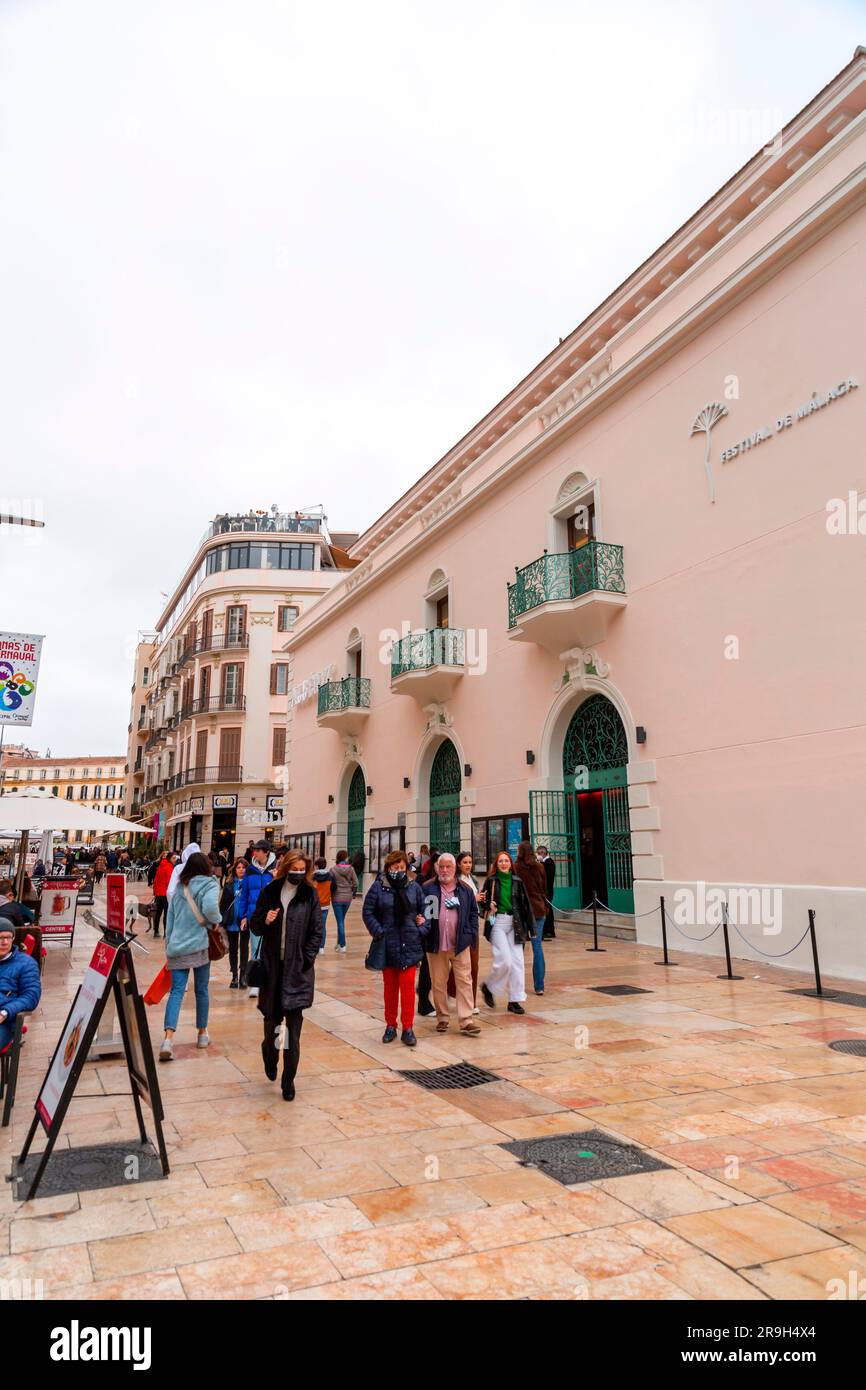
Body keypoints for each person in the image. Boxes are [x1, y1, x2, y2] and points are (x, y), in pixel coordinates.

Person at [249, 849, 322, 1100]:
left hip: (297, 970)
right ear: (285, 868)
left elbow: (316, 932)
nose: (298, 874)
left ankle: (288, 1079)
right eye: (295, 869)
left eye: (303, 870)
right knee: (272, 1025)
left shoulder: (309, 894)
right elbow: (255, 924)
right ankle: (270, 1054)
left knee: (292, 1029)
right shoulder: (270, 892)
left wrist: (307, 958)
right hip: (272, 969)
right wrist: (266, 920)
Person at [362, 850, 427, 1047]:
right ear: (388, 868)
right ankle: (391, 1025)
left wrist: (421, 925)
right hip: (388, 944)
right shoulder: (378, 887)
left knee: (407, 988)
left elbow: (425, 912)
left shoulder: (414, 887)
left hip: (410, 943)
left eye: (401, 867)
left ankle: (408, 1027)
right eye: (394, 867)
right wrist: (378, 932)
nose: (398, 871)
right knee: (390, 989)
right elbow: (368, 912)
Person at [160, 851, 220, 1061]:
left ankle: (168, 1039)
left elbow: (170, 918)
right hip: (199, 945)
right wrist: (216, 920)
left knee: (176, 992)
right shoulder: (210, 884)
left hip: (177, 945)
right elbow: (212, 909)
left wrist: (169, 944)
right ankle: (202, 1033)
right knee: (201, 990)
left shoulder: (180, 887)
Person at [423, 852, 481, 1036]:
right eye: (442, 867)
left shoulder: (465, 889)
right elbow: (419, 911)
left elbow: (473, 913)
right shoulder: (427, 888)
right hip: (436, 944)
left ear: (455, 868)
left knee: (464, 980)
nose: (445, 870)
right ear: (436, 868)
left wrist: (470, 934)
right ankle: (443, 1018)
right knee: (438, 983)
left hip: (459, 944)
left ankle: (466, 1020)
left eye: (448, 866)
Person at [479, 850, 535, 1015]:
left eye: (506, 861)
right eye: (500, 861)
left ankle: (514, 1000)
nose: (504, 863)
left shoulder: (517, 881)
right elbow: (482, 902)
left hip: (515, 923)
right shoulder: (491, 881)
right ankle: (489, 987)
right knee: (505, 960)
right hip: (497, 923)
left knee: (517, 963)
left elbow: (526, 905)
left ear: (511, 864)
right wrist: (488, 906)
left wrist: (532, 928)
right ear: (496, 865)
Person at [236, 840, 275, 999]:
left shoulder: (275, 870)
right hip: (255, 916)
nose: (255, 853)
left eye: (258, 851)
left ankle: (270, 982)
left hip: (273, 916)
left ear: (266, 852)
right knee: (256, 949)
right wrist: (244, 916)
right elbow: (244, 895)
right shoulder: (250, 871)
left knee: (271, 950)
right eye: (255, 850)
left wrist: (277, 878)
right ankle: (255, 984)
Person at [0, 923, 41, 1051]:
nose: (5, 942)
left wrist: (5, 1012)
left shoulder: (26, 963)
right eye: (0, 938)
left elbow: (31, 996)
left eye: (8, 937)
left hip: (5, 1023)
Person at [514, 841, 548, 996]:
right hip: (538, 910)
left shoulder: (516, 868)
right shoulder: (539, 867)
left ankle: (518, 985)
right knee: (537, 947)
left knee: (519, 948)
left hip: (522, 911)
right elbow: (545, 888)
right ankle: (539, 986)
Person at [453, 850, 481, 1011]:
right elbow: (453, 903)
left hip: (473, 924)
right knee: (460, 964)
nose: (468, 865)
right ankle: (451, 990)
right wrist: (473, 899)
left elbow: (477, 903)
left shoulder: (474, 880)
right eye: (465, 862)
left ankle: (472, 1002)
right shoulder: (456, 882)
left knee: (474, 965)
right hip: (459, 926)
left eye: (470, 862)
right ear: (459, 864)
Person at [415, 848, 441, 1017]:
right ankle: (423, 1001)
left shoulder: (448, 882)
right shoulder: (424, 881)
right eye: (440, 865)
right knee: (427, 967)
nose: (443, 868)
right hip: (427, 931)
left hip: (443, 930)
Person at [220, 857, 248, 988]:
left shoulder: (249, 883)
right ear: (235, 869)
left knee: (244, 948)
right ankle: (234, 976)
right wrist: (220, 920)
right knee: (233, 949)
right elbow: (224, 903)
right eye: (239, 867)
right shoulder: (229, 883)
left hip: (245, 920)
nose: (241, 870)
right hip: (231, 921)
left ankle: (243, 975)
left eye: (243, 867)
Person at [331, 850, 357, 952]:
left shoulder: (333, 869)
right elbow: (356, 882)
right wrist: (352, 890)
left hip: (337, 897)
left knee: (340, 921)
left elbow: (330, 882)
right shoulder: (351, 869)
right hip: (347, 897)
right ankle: (338, 943)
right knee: (341, 920)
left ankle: (342, 945)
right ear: (345, 857)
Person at [312, 858, 338, 954]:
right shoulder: (330, 876)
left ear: (317, 865)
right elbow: (334, 888)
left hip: (315, 905)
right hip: (325, 904)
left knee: (313, 926)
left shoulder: (313, 876)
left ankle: (314, 945)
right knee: (322, 926)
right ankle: (321, 947)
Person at [151, 851, 174, 938]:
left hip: (158, 894)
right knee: (166, 914)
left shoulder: (160, 866)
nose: (174, 860)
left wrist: (155, 892)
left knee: (158, 913)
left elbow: (155, 880)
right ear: (169, 858)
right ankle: (166, 933)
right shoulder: (169, 867)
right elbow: (169, 882)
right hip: (165, 894)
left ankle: (156, 932)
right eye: (173, 858)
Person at [537, 845, 556, 939]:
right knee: (545, 909)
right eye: (538, 853)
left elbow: (548, 876)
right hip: (543, 890)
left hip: (548, 890)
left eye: (541, 853)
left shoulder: (549, 862)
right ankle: (545, 930)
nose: (539, 855)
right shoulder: (543, 863)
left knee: (548, 910)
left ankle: (550, 930)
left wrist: (541, 863)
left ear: (545, 853)